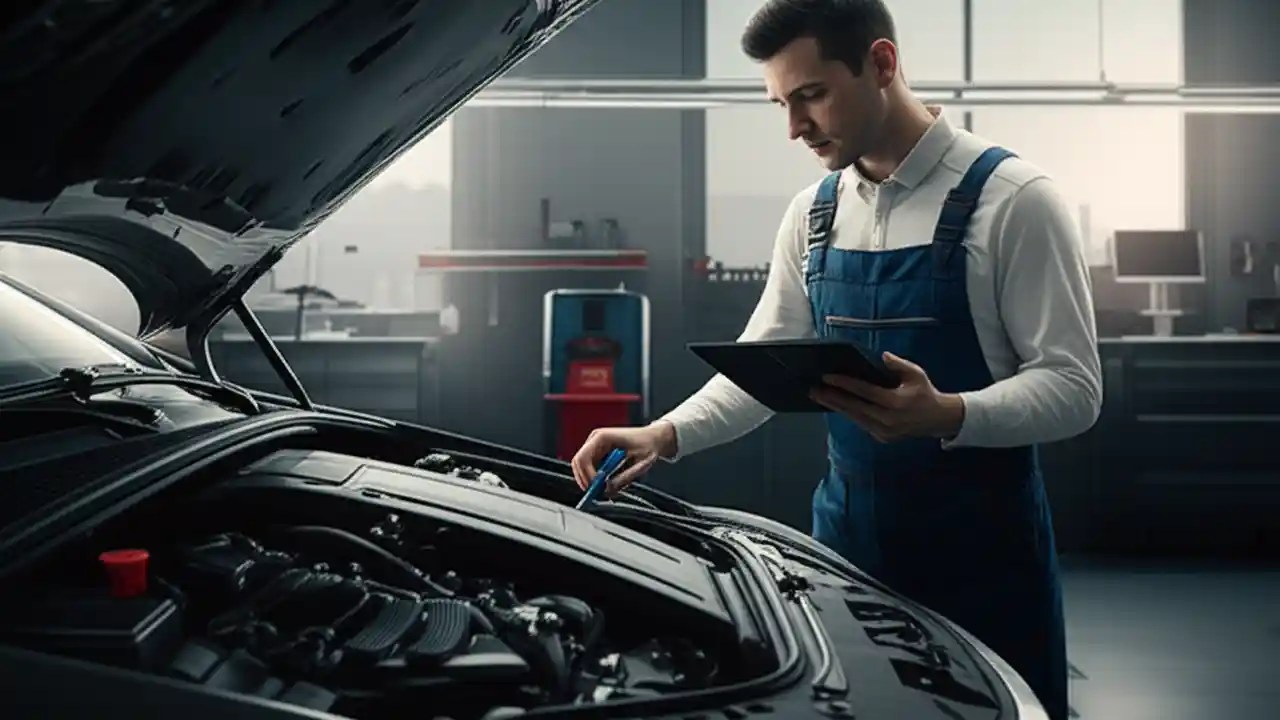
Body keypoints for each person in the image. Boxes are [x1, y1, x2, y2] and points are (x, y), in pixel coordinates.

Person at [571, 1, 1100, 718]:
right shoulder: (813, 214)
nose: (795, 127)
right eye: (781, 104)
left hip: (984, 561)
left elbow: (1074, 387)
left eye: (812, 95)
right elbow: (761, 366)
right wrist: (661, 436)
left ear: (881, 64)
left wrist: (948, 414)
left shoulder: (1014, 203)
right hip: (845, 554)